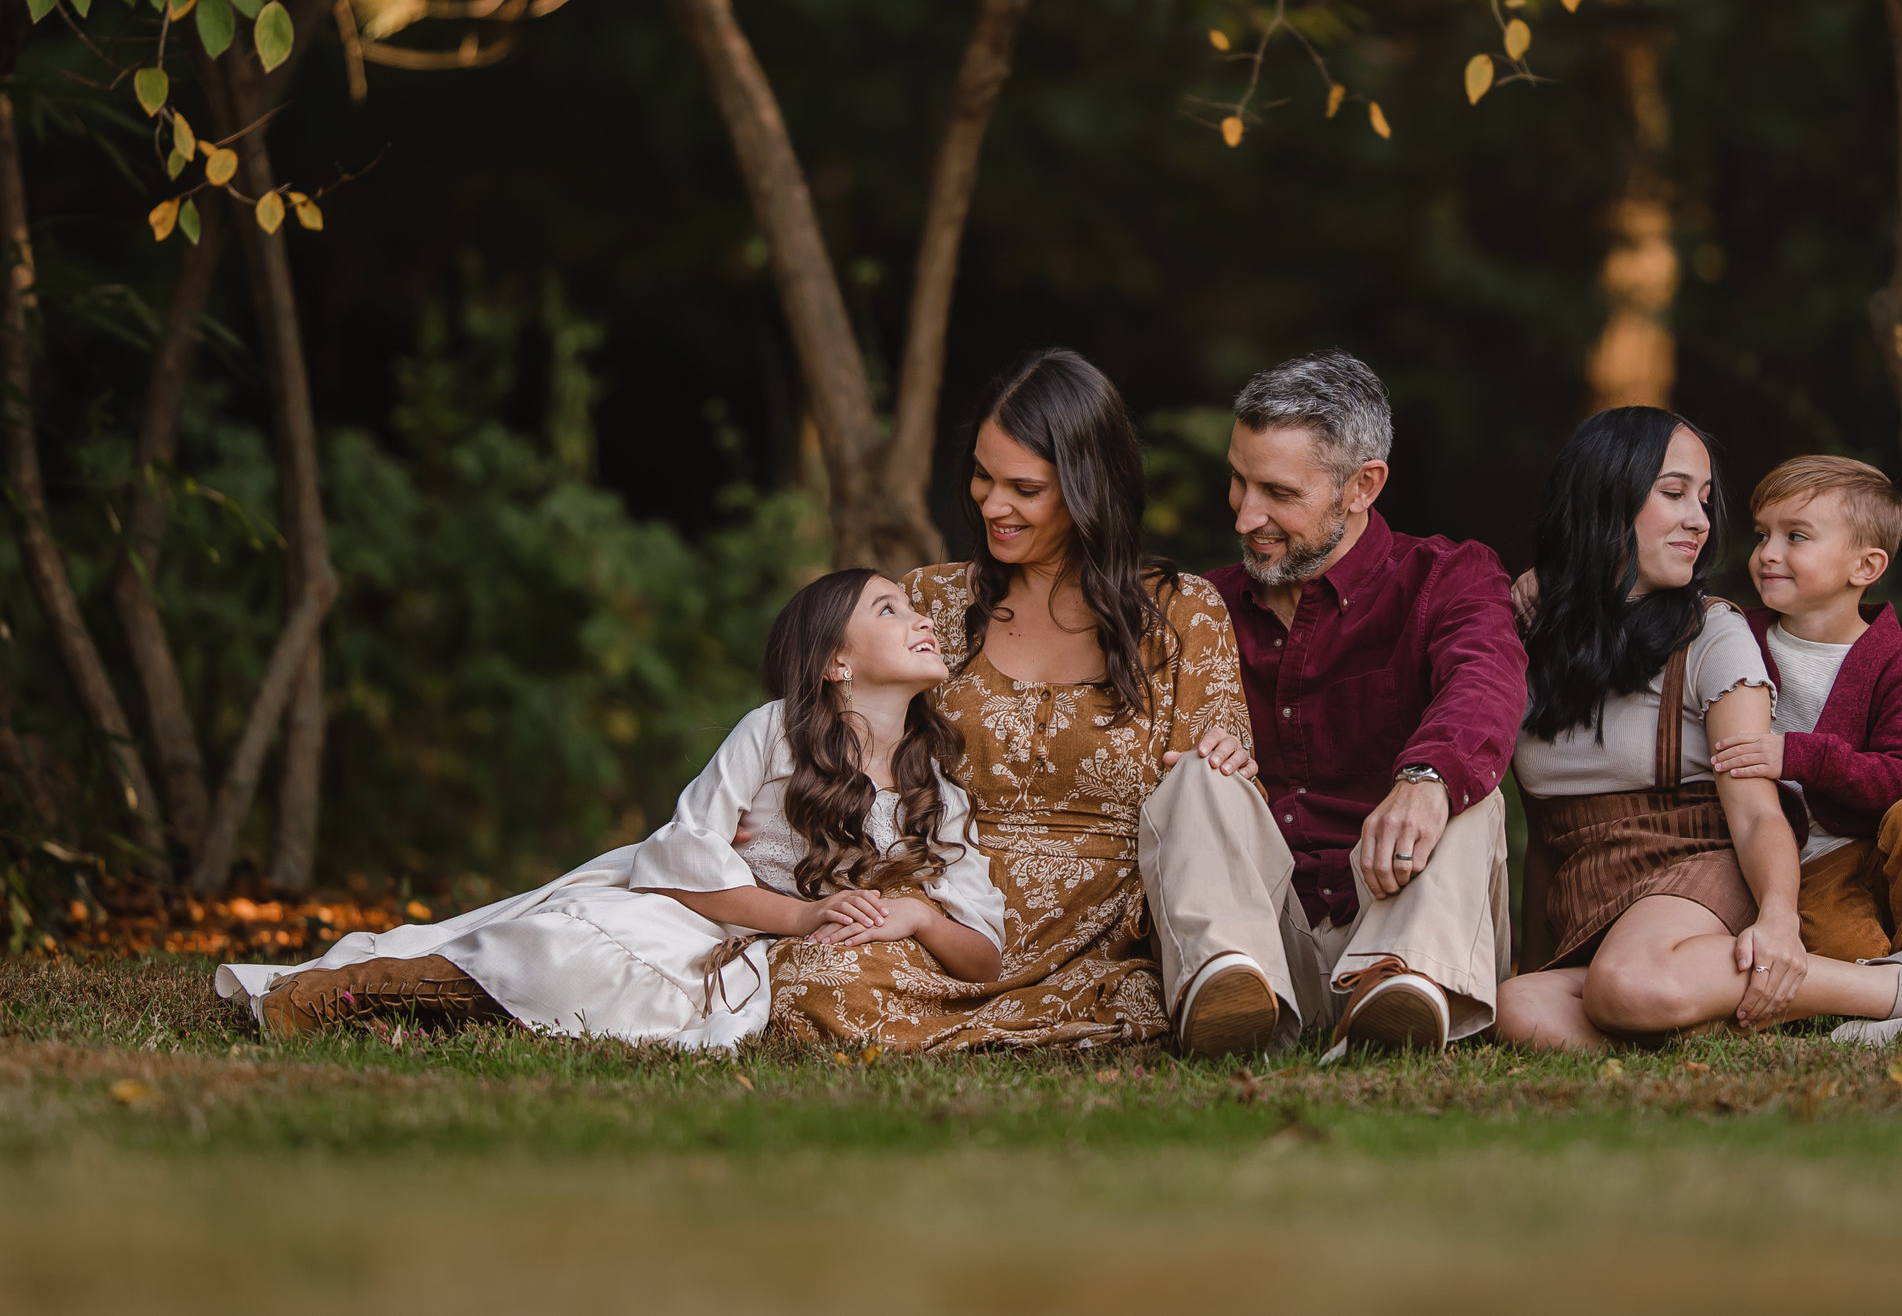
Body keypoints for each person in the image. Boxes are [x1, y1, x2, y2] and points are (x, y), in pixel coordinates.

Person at [216, 570, 1004, 1044]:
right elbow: (679, 861)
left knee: (651, 1002)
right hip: (693, 910)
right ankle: (371, 989)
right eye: (887, 609)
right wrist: (802, 917)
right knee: (586, 948)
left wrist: (918, 917)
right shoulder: (775, 732)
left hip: (755, 954)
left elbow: (982, 955)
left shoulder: (937, 789)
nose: (919, 619)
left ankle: (431, 1015)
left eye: (913, 608)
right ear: (835, 661)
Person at [1493, 413, 1902, 1051]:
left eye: (1703, 499)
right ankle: (1788, 1037)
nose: (1701, 521)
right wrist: (1556, 580)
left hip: (1703, 867)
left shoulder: (1716, 632)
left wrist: (1778, 916)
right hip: (1596, 889)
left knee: (1629, 985)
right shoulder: (1521, 628)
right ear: (1604, 494)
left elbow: (1760, 809)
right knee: (1519, 1009)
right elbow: (1545, 838)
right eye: (1675, 494)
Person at [769, 349, 1256, 1052]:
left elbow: (1216, 796)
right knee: (810, 983)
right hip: (942, 912)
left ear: (1090, 488)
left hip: (1107, 933)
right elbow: (834, 730)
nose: (992, 505)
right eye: (982, 476)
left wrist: (1228, 761)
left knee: (1152, 991)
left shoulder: (1182, 614)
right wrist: (764, 804)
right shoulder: (930, 601)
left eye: (1024, 488)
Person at [1141, 350, 1524, 1059]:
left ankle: (1403, 991)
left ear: (1362, 487)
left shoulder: (1447, 577)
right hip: (1265, 935)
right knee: (1194, 776)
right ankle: (1230, 994)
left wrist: (1426, 780)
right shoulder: (1202, 606)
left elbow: (1486, 683)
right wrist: (1207, 758)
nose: (1245, 515)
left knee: (1469, 789)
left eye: (1278, 493)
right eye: (1238, 480)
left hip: (1399, 911)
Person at [1712, 455, 1902, 967]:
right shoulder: (1733, 635)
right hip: (1810, 866)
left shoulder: (1901, 663)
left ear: (1865, 567)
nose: (1768, 553)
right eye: (1762, 535)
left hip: (1883, 844)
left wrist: (1799, 756)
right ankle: (1887, 984)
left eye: (1796, 536)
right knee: (1849, 964)